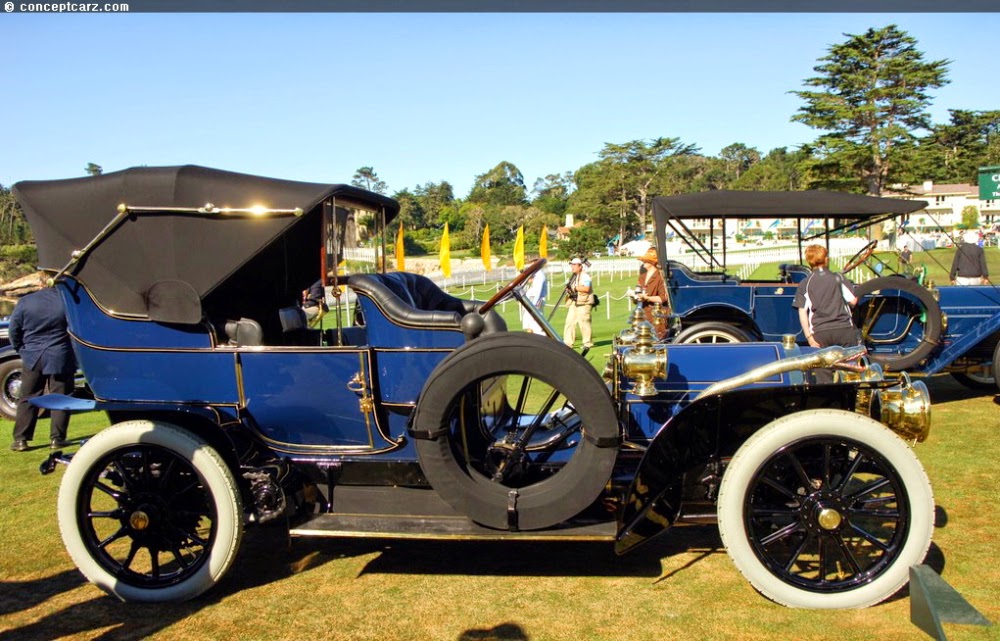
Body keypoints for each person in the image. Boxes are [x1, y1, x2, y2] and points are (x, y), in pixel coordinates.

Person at [9, 286, 76, 451]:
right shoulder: (66, 301)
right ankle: (57, 438)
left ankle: (21, 440)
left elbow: (13, 331)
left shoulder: (25, 301)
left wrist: (22, 350)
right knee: (61, 397)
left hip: (32, 355)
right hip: (60, 354)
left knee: (28, 397)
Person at [792, 245, 860, 384]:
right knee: (850, 375)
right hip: (844, 329)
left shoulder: (806, 283)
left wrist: (809, 337)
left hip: (820, 332)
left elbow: (802, 311)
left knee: (823, 377)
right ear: (826, 259)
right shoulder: (837, 278)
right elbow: (853, 301)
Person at [635, 248, 669, 340]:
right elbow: (638, 290)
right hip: (643, 313)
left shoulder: (660, 276)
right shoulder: (642, 276)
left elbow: (663, 298)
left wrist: (648, 298)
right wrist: (635, 296)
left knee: (656, 340)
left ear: (652, 263)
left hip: (656, 315)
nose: (644, 262)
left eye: (646, 261)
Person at [563, 258, 594, 350]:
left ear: (580, 266)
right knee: (569, 322)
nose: (572, 266)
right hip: (575, 302)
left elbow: (586, 288)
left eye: (574, 265)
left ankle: (587, 343)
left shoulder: (585, 276)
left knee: (584, 323)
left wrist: (575, 288)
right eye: (571, 265)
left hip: (584, 303)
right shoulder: (574, 276)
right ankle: (568, 343)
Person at [520, 265, 548, 334]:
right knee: (530, 326)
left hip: (534, 304)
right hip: (530, 303)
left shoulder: (539, 276)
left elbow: (537, 292)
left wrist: (534, 304)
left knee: (537, 326)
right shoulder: (535, 278)